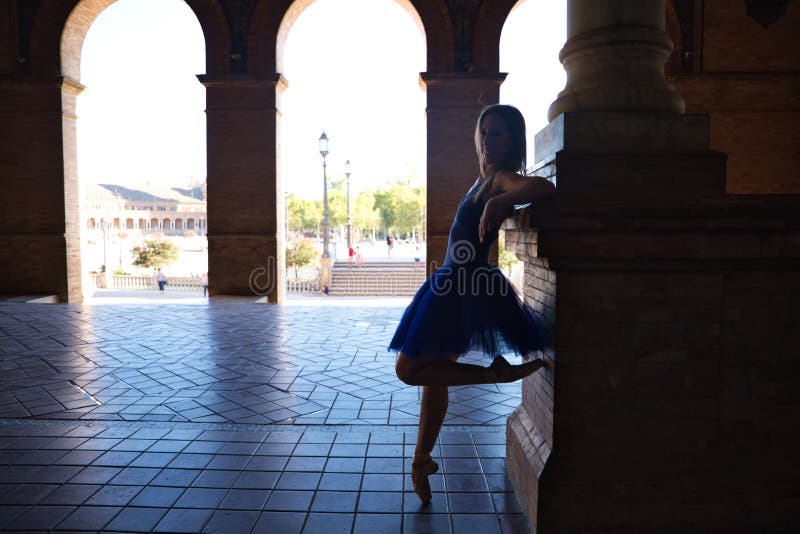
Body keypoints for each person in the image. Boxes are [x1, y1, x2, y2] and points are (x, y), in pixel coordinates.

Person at [389, 104, 555, 504]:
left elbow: (544, 188)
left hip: (463, 290)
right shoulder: (481, 180)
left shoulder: (500, 178)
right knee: (434, 375)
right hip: (451, 285)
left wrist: (501, 201)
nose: (487, 140)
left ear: (512, 141)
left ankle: (496, 375)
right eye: (484, 131)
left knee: (408, 370)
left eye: (497, 133)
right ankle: (421, 460)